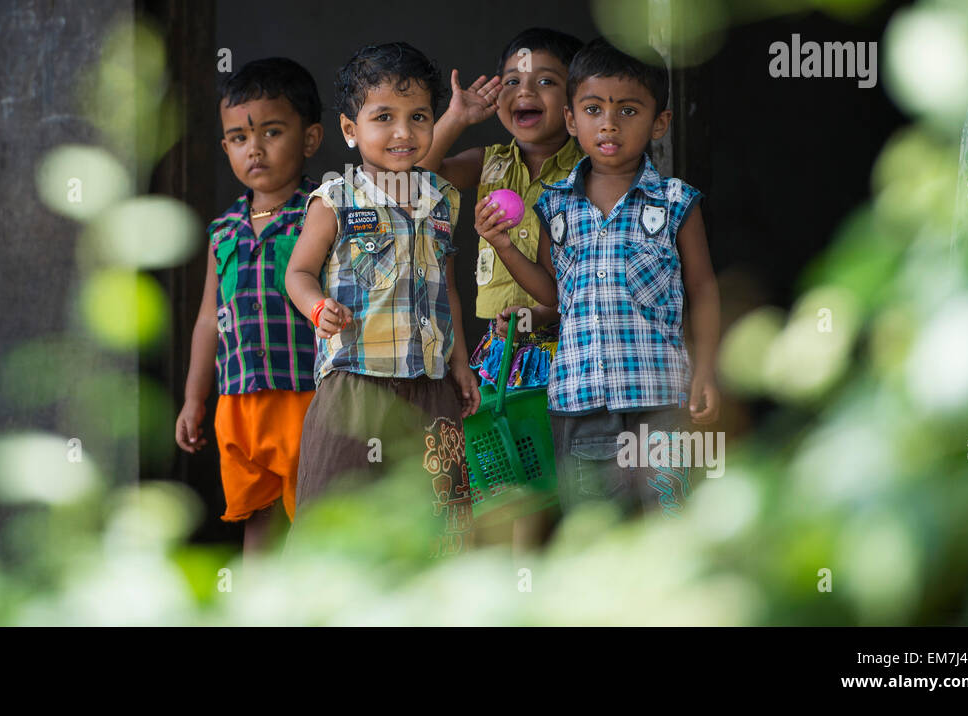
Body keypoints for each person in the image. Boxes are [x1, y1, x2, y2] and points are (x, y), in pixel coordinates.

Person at [475, 38, 721, 517]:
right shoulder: (555, 207)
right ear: (572, 120)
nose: (609, 124)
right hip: (580, 402)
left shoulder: (675, 202)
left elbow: (704, 287)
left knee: (667, 526)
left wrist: (707, 368)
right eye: (593, 109)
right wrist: (505, 247)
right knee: (596, 533)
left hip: (661, 400)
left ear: (660, 122)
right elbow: (555, 292)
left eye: (629, 111)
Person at [285, 41, 479, 556]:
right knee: (334, 523)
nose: (403, 132)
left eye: (419, 117)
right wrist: (317, 307)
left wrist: (460, 363)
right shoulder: (336, 199)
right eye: (383, 117)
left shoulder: (442, 199)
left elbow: (448, 290)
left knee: (441, 528)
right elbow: (299, 271)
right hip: (354, 386)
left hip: (431, 389)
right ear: (351, 130)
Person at [176, 57, 324, 554]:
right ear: (225, 147)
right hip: (239, 403)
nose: (254, 148)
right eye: (238, 137)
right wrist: (196, 398)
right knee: (256, 521)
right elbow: (206, 321)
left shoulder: (323, 214)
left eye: (271, 132)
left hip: (309, 395)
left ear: (310, 139)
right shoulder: (223, 231)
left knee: (314, 519)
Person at [420, 27, 584, 394]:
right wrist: (456, 117)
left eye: (544, 80)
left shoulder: (588, 171)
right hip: (503, 346)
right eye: (512, 81)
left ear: (575, 99)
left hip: (573, 344)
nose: (525, 91)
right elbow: (422, 174)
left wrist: (544, 314)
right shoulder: (488, 162)